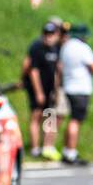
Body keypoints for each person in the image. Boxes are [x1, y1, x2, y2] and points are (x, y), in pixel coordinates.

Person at [57, 24, 93, 166]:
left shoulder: (65, 47)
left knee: (70, 120)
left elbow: (60, 67)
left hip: (68, 86)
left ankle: (65, 150)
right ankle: (71, 152)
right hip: (81, 88)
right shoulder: (83, 48)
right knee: (76, 121)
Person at [22, 21, 62, 159]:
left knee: (49, 117)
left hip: (50, 90)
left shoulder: (56, 48)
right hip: (37, 89)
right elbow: (33, 71)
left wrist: (56, 91)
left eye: (51, 34)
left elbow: (57, 71)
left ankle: (47, 147)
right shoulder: (37, 47)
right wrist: (39, 92)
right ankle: (34, 148)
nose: (49, 37)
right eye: (46, 34)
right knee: (36, 116)